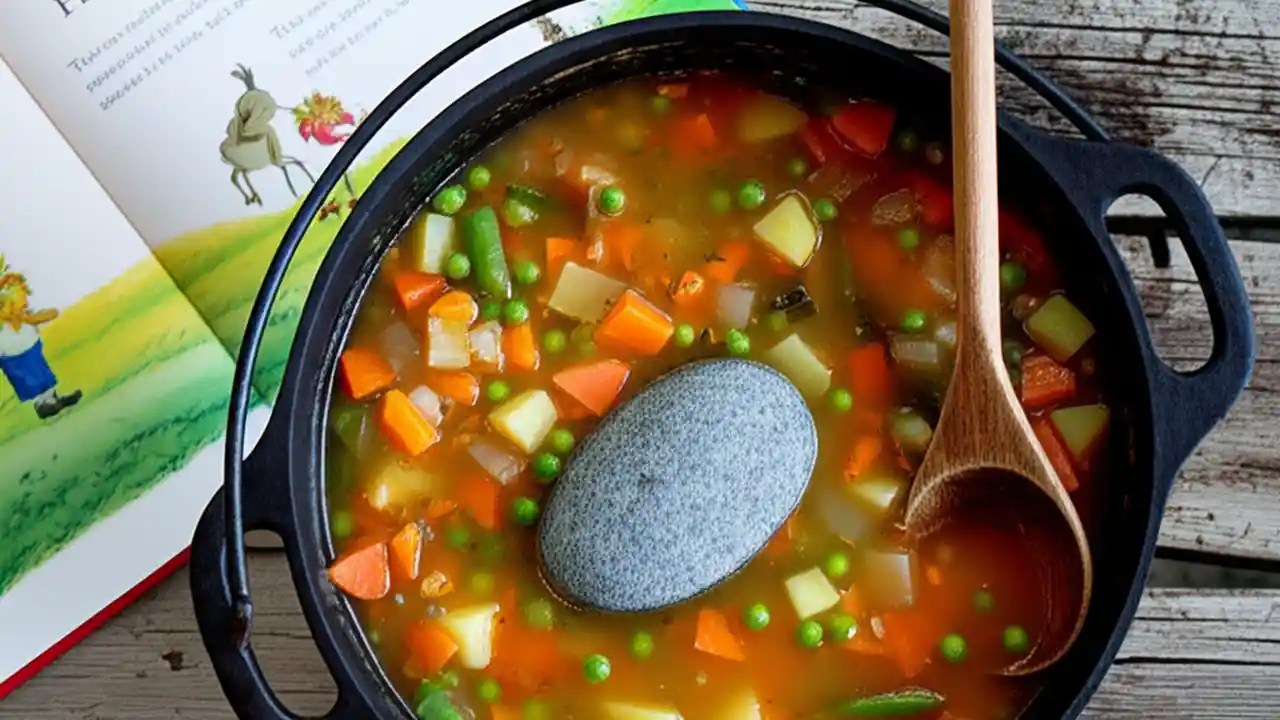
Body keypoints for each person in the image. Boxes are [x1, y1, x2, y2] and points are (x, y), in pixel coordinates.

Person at [0, 256, 81, 419]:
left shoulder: (23, 314)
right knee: (29, 377)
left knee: (41, 371)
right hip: (12, 352)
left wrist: (27, 317)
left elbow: (48, 313)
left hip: (28, 345)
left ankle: (53, 399)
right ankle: (43, 405)